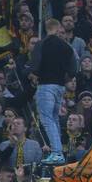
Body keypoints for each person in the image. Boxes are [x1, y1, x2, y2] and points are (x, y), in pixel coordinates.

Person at [29, 18, 77, 164]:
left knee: (47, 119)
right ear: (57, 29)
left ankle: (57, 152)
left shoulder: (41, 44)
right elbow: (74, 69)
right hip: (60, 88)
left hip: (45, 86)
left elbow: (35, 65)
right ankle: (58, 151)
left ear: (47, 28)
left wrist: (34, 75)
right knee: (54, 118)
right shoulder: (67, 46)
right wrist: (64, 78)